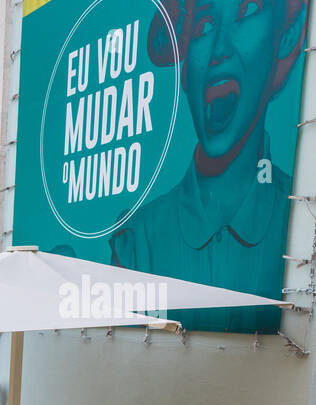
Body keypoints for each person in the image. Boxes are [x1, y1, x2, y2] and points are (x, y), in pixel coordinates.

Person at [110, 0, 307, 333]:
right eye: (204, 26)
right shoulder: (137, 241)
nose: (219, 49)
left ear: (286, 35)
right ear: (187, 72)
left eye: (246, 12)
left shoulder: (302, 220)